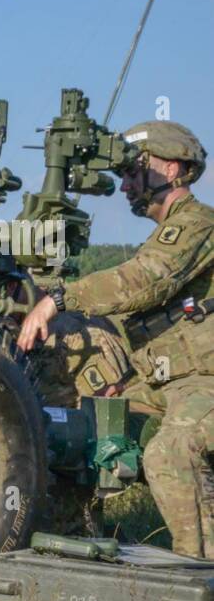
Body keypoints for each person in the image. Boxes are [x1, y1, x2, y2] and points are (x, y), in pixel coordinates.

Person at [18, 120, 214, 557]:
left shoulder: (198, 225)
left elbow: (145, 282)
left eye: (132, 172)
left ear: (171, 168)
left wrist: (59, 298)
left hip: (204, 384)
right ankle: (78, 544)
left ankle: (199, 585)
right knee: (77, 430)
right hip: (161, 386)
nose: (124, 186)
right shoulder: (161, 236)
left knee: (170, 453)